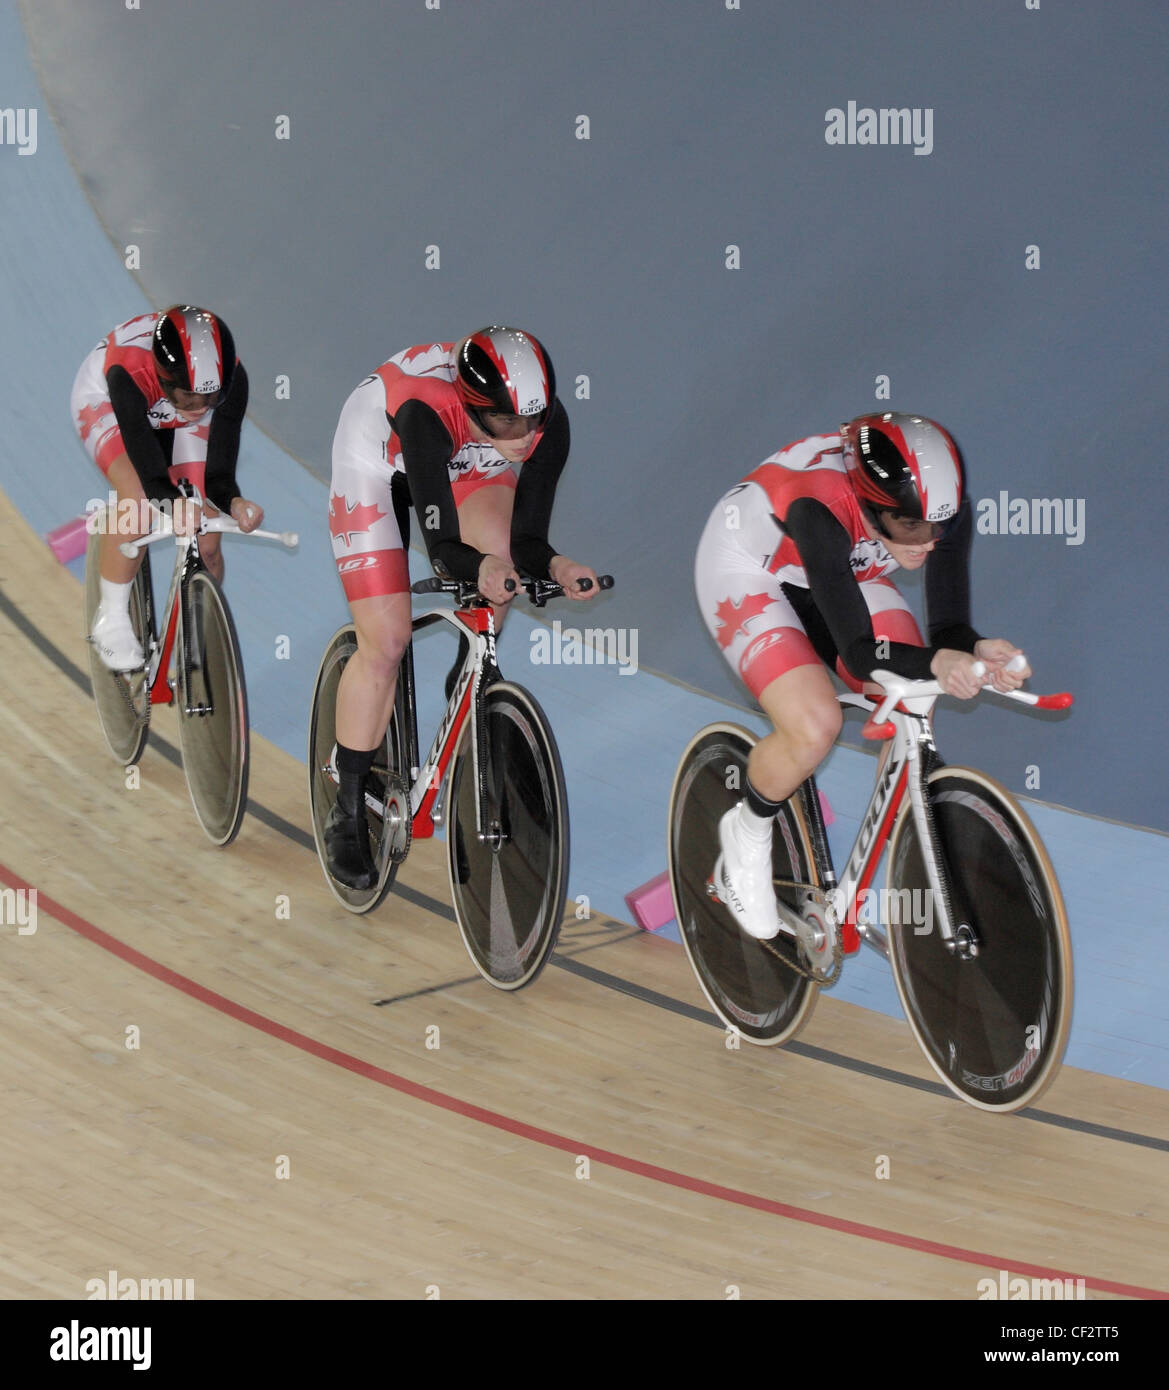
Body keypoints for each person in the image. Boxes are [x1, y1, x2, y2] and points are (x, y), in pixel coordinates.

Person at [694, 410, 1030, 940]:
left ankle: (884, 850)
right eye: (910, 526)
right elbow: (856, 653)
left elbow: (947, 627)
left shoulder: (938, 512)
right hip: (751, 569)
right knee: (814, 726)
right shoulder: (817, 505)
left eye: (937, 525)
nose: (926, 541)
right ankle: (747, 829)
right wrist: (941, 661)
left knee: (914, 695)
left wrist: (976, 648)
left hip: (848, 568)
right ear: (873, 508)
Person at [325, 325, 600, 889]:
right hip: (377, 458)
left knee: (504, 560)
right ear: (476, 407)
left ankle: (468, 677)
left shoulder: (540, 420)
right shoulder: (428, 411)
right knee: (388, 642)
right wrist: (475, 569)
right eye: (507, 423)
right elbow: (444, 550)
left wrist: (555, 565)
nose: (524, 437)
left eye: (533, 420)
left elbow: (527, 542)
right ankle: (347, 808)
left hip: (465, 459)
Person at [71, 305, 263, 670]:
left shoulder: (231, 381)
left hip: (165, 403)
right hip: (106, 402)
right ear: (165, 379)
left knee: (208, 533)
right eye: (190, 398)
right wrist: (172, 504)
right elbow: (150, 473)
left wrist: (234, 503)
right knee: (139, 500)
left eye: (211, 399)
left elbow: (220, 476)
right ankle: (109, 618)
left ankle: (199, 627)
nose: (200, 407)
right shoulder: (126, 373)